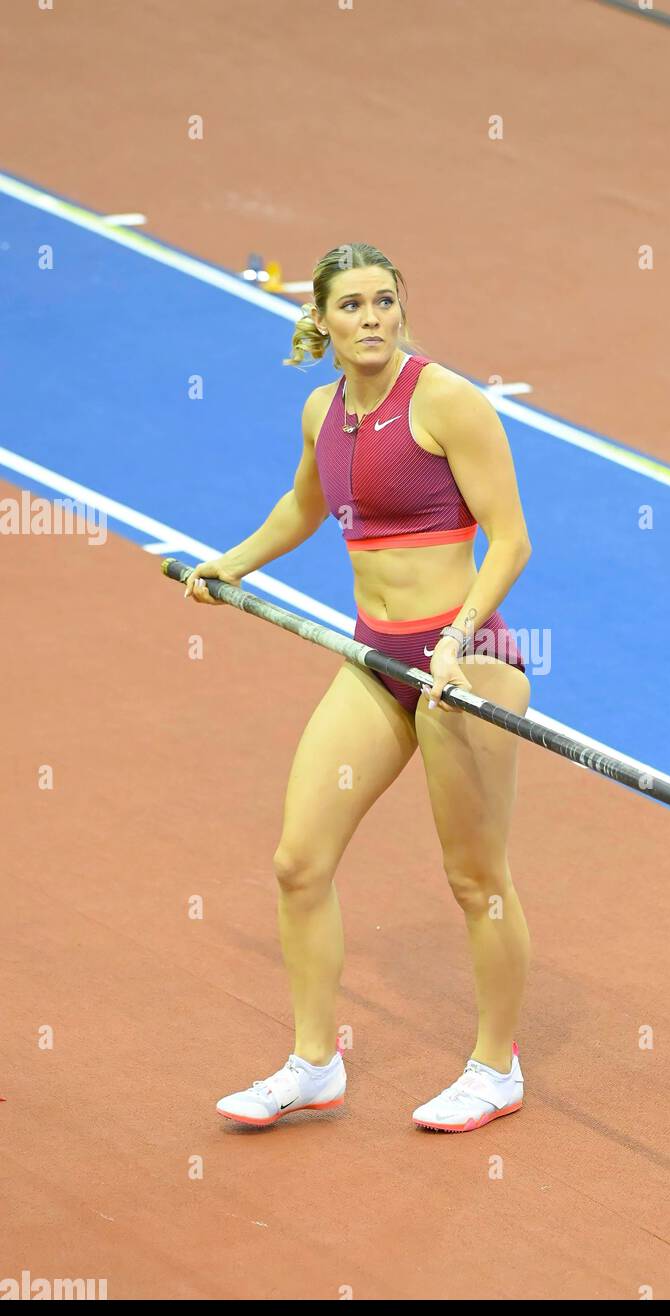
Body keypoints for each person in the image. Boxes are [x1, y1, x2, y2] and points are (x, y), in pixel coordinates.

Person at [182, 242, 533, 1132]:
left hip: (468, 660)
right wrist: (234, 564)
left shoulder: (446, 400)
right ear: (323, 321)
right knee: (299, 862)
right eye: (352, 306)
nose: (371, 318)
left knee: (473, 877)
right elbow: (305, 507)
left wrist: (454, 644)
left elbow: (512, 539)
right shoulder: (322, 410)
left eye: (385, 301)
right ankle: (314, 1063)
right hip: (376, 660)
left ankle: (496, 1068)